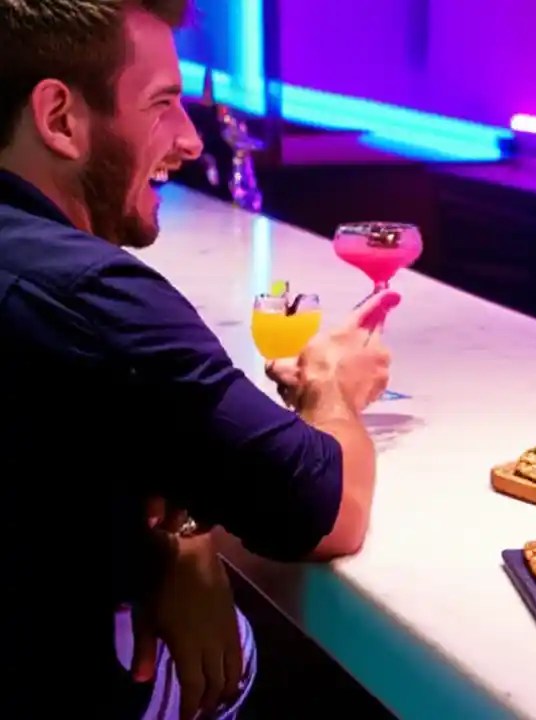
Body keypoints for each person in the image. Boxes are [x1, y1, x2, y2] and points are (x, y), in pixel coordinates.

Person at [0, 1, 398, 717]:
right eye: (162, 104)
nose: (188, 139)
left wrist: (179, 539)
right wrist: (332, 388)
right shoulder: (95, 295)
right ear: (59, 117)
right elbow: (333, 510)